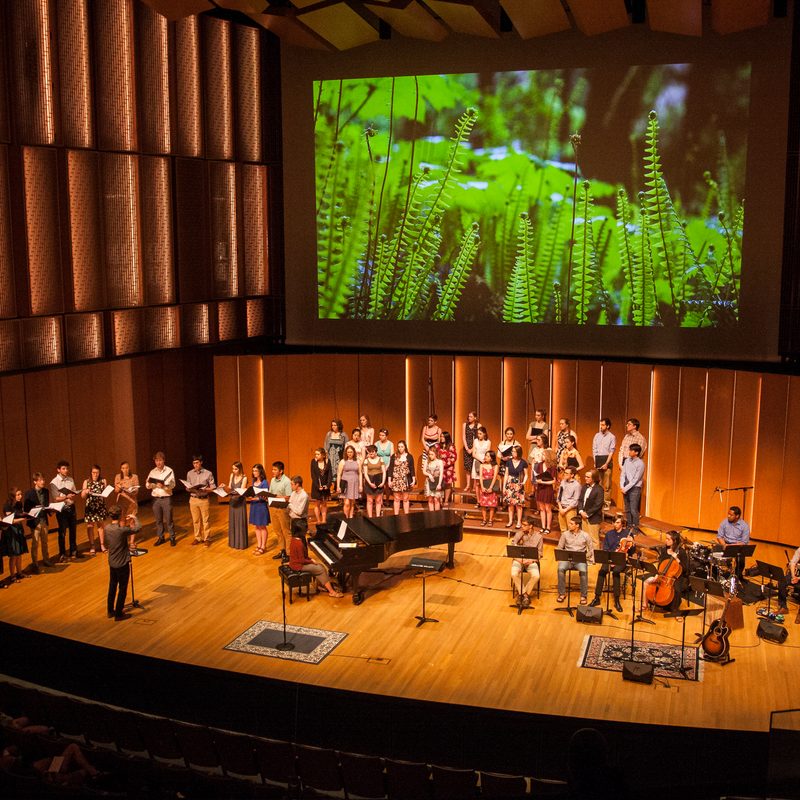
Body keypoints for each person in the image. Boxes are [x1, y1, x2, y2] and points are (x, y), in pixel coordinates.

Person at [589, 514, 635, 612]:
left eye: (617, 522)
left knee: (616, 572)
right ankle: (597, 598)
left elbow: (631, 551)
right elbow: (605, 548)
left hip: (621, 558)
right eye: (614, 522)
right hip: (610, 557)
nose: (615, 524)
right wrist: (612, 553)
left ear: (622, 524)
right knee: (602, 571)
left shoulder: (627, 534)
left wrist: (632, 542)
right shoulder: (609, 534)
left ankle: (617, 600)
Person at [104, 505, 141, 621]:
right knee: (123, 588)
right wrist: (134, 518)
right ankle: (119, 613)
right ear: (120, 515)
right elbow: (137, 528)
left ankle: (110, 611)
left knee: (112, 586)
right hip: (122, 563)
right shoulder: (122, 530)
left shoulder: (107, 528)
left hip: (112, 562)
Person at [288, 522, 343, 597]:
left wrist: (310, 560)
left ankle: (321, 585)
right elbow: (301, 560)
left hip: (294, 564)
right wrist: (311, 561)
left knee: (319, 567)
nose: (306, 532)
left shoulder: (293, 540)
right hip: (298, 566)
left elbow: (301, 557)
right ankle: (331, 591)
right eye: (304, 530)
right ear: (300, 532)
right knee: (320, 569)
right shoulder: (299, 544)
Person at [641, 530, 688, 614]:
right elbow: (660, 564)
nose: (665, 540)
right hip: (662, 574)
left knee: (676, 589)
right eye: (666, 538)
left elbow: (685, 569)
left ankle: (675, 611)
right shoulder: (664, 550)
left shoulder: (681, 552)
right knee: (646, 582)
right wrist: (657, 575)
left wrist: (677, 559)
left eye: (668, 539)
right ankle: (645, 605)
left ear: (674, 541)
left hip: (675, 577)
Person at [556, 516, 594, 605]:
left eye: (571, 524)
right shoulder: (565, 534)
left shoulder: (585, 535)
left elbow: (591, 550)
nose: (569, 525)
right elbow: (560, 548)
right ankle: (562, 593)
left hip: (580, 560)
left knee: (583, 571)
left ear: (577, 525)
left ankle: (583, 595)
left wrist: (585, 557)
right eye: (569, 523)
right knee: (560, 569)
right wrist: (561, 555)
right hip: (567, 559)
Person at [50, 460, 81, 561]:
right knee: (62, 532)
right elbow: (56, 498)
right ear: (58, 470)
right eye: (63, 468)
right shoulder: (54, 482)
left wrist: (74, 494)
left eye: (67, 468)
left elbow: (74, 492)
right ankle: (62, 554)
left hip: (71, 507)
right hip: (62, 509)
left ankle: (73, 551)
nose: (66, 470)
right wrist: (66, 497)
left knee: (73, 530)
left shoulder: (70, 479)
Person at [510, 517, 544, 607]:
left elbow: (540, 554)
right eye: (522, 524)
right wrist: (518, 559)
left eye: (524, 525)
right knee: (514, 574)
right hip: (518, 560)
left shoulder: (539, 537)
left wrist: (531, 560)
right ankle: (524, 594)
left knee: (536, 576)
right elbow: (512, 549)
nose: (522, 526)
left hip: (531, 561)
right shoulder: (519, 534)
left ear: (531, 526)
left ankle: (523, 594)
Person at [23, 473, 52, 573]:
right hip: (35, 521)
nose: (43, 482)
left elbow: (47, 505)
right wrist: (36, 508)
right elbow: (26, 508)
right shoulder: (29, 493)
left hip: (44, 520)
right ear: (35, 481)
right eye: (40, 480)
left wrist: (51, 510)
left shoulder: (46, 491)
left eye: (43, 480)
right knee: (35, 544)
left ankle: (46, 560)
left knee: (45, 542)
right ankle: (35, 563)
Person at [146, 451, 176, 546]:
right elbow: (147, 485)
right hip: (156, 499)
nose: (158, 462)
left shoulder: (169, 471)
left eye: (160, 460)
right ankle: (161, 537)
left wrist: (163, 486)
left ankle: (172, 537)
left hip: (166, 498)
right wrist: (151, 484)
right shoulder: (152, 472)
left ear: (164, 460)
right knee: (158, 520)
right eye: (156, 460)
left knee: (169, 519)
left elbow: (173, 485)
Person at [185, 455, 216, 546]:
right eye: (194, 463)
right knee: (195, 520)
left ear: (201, 462)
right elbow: (187, 486)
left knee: (205, 520)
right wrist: (188, 488)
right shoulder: (189, 473)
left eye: (197, 463)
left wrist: (206, 489)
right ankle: (197, 538)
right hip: (193, 499)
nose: (195, 465)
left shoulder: (208, 473)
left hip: (203, 499)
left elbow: (213, 487)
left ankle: (207, 538)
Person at [2, 488, 29, 585]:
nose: (20, 496)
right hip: (11, 531)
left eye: (21, 494)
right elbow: (9, 521)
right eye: (18, 494)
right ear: (13, 496)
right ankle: (12, 576)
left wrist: (26, 515)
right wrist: (23, 518)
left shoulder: (19, 504)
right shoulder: (7, 506)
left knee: (19, 553)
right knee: (13, 555)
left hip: (18, 529)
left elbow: (20, 514)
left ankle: (20, 572)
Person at [716, 505, 750, 580]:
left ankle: (738, 577)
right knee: (713, 553)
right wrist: (724, 544)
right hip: (725, 543)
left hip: (737, 546)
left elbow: (744, 542)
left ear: (737, 516)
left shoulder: (744, 526)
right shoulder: (724, 522)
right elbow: (719, 536)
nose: (728, 516)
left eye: (731, 515)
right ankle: (719, 573)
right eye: (728, 514)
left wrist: (731, 546)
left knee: (740, 561)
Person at [531, 434, 556, 534]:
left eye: (543, 455)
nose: (542, 456)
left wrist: (543, 482)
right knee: (541, 509)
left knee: (547, 509)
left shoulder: (552, 467)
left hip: (547, 489)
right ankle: (543, 526)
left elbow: (554, 481)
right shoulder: (540, 465)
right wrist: (537, 481)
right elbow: (536, 475)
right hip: (540, 488)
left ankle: (548, 527)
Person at [81, 465, 108, 554]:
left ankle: (102, 545)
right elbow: (82, 496)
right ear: (91, 473)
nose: (95, 474)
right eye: (93, 473)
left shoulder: (103, 481)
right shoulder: (86, 481)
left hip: (99, 506)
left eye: (97, 473)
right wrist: (85, 491)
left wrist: (104, 493)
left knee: (101, 526)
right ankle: (92, 545)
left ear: (99, 473)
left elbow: (105, 494)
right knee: (90, 526)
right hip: (90, 507)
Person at [269, 460, 293, 560]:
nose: (273, 471)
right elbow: (270, 492)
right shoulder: (272, 480)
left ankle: (289, 553)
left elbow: (288, 497)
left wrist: (276, 496)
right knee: (277, 531)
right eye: (272, 469)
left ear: (281, 471)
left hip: (282, 509)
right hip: (273, 507)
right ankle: (282, 550)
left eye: (275, 470)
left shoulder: (286, 481)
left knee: (286, 531)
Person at [223, 461, 249, 550]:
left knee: (240, 521)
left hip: (240, 502)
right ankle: (233, 542)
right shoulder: (232, 475)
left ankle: (241, 543)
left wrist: (233, 492)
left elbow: (241, 491)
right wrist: (224, 487)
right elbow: (230, 488)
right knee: (233, 521)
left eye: (236, 469)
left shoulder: (244, 478)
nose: (234, 471)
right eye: (233, 469)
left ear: (240, 469)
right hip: (232, 501)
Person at [620, 443, 644, 531]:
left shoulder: (640, 463)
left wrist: (625, 488)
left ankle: (635, 527)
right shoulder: (627, 461)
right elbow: (623, 473)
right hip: (626, 486)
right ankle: (629, 525)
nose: (629, 452)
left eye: (631, 450)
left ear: (636, 452)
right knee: (627, 508)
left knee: (634, 509)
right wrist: (622, 486)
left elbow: (636, 479)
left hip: (634, 488)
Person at [502, 445, 528, 529]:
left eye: (514, 451)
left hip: (518, 484)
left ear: (518, 452)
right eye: (512, 451)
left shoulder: (523, 462)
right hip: (510, 483)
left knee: (518, 504)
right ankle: (510, 521)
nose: (512, 453)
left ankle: (519, 522)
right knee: (510, 504)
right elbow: (506, 474)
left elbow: (526, 474)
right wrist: (504, 486)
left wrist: (523, 482)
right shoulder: (509, 462)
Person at [577, 468, 604, 547]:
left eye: (588, 477)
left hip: (593, 518)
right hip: (584, 517)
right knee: (585, 538)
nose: (585, 478)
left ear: (594, 478)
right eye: (585, 476)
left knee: (594, 540)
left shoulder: (599, 489)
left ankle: (594, 559)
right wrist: (581, 511)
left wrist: (587, 513)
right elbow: (580, 500)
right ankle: (587, 557)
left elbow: (598, 504)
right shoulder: (584, 487)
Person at [592, 418, 616, 502]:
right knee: (598, 483)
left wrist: (606, 463)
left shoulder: (612, 437)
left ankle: (606, 504)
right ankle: (598, 503)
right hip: (598, 461)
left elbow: (611, 451)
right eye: (600, 425)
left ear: (608, 426)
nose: (601, 427)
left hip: (607, 462)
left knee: (606, 485)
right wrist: (595, 461)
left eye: (603, 425)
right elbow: (594, 450)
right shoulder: (597, 435)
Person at [388, 440, 415, 515]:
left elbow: (412, 468)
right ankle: (396, 515)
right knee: (396, 498)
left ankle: (406, 515)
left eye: (402, 447)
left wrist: (413, 479)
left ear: (405, 447)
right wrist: (389, 480)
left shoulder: (409, 456)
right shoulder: (394, 456)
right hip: (396, 479)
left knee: (405, 498)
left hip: (405, 479)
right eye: (399, 447)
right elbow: (391, 468)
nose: (400, 448)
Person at [250, 463, 270, 555]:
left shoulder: (264, 482)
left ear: (260, 471)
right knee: (257, 526)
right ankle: (259, 545)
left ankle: (263, 546)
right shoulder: (253, 481)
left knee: (262, 526)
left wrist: (256, 498)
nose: (254, 472)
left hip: (261, 506)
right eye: (253, 471)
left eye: (256, 471)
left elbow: (265, 496)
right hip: (254, 505)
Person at [337, 445, 362, 519]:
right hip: (346, 484)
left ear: (354, 452)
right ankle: (346, 518)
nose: (350, 453)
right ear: (346, 453)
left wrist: (361, 485)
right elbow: (339, 474)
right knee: (347, 503)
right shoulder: (343, 461)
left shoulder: (357, 461)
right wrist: (338, 486)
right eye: (348, 452)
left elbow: (360, 473)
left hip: (354, 483)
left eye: (351, 452)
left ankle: (351, 517)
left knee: (352, 503)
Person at [363, 445, 386, 517]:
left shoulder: (380, 459)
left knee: (378, 500)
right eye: (370, 453)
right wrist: (369, 483)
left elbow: (384, 471)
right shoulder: (366, 460)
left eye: (372, 453)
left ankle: (378, 516)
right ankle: (370, 517)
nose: (371, 454)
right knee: (369, 500)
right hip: (369, 480)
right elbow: (365, 473)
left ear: (376, 452)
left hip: (378, 479)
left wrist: (383, 482)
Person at [776, 545, 800, 615]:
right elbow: (792, 563)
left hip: (798, 577)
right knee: (781, 581)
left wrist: (798, 578)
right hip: (795, 575)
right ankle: (783, 607)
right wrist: (793, 576)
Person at [556, 466, 581, 533]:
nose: (564, 474)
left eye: (567, 473)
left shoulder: (576, 485)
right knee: (563, 529)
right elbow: (559, 495)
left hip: (570, 510)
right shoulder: (563, 482)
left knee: (571, 530)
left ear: (572, 475)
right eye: (564, 473)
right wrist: (560, 508)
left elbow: (576, 500)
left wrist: (565, 510)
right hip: (561, 508)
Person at [310, 448, 332, 524]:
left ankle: (323, 520)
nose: (316, 456)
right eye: (315, 454)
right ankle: (318, 520)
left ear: (323, 455)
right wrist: (317, 486)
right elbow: (313, 475)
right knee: (317, 503)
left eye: (318, 454)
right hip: (316, 486)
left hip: (325, 486)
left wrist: (328, 485)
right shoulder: (313, 462)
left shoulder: (328, 461)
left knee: (324, 503)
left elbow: (330, 475)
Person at [477, 450, 499, 526]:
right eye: (486, 455)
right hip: (483, 485)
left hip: (491, 486)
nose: (486, 457)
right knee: (483, 504)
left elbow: (495, 477)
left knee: (492, 504)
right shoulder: (481, 465)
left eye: (488, 456)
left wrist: (491, 487)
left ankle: (490, 519)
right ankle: (484, 519)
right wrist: (482, 486)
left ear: (492, 458)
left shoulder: (495, 466)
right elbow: (480, 477)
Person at [470, 426, 492, 500]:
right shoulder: (475, 441)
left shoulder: (488, 442)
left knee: (483, 481)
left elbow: (488, 453)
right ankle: (478, 500)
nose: (478, 435)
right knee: (477, 483)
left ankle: (484, 499)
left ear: (484, 434)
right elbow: (473, 454)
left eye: (480, 433)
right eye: (478, 433)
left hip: (485, 462)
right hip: (477, 461)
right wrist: (480, 459)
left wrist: (485, 460)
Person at [437, 431, 458, 507]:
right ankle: (440, 500)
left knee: (447, 484)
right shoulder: (437, 446)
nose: (441, 438)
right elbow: (435, 455)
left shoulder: (451, 446)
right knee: (439, 484)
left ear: (447, 437)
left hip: (448, 467)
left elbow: (454, 457)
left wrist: (446, 464)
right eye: (441, 436)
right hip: (439, 467)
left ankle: (446, 500)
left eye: (443, 437)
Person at [461, 411, 479, 491]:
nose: (469, 418)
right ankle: (468, 485)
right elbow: (463, 437)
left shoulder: (478, 425)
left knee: (475, 467)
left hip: (475, 448)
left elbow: (478, 438)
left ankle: (475, 486)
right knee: (468, 467)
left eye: (471, 416)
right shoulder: (465, 425)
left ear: (475, 417)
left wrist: (472, 449)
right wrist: (467, 448)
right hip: (467, 447)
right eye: (468, 416)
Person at [424, 446, 444, 512]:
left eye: (432, 454)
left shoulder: (440, 462)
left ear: (435, 454)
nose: (430, 456)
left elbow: (441, 473)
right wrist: (429, 475)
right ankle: (431, 516)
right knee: (430, 499)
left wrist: (439, 484)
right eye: (429, 454)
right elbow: (424, 471)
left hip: (437, 481)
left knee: (436, 499)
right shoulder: (427, 461)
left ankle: (436, 516)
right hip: (429, 482)